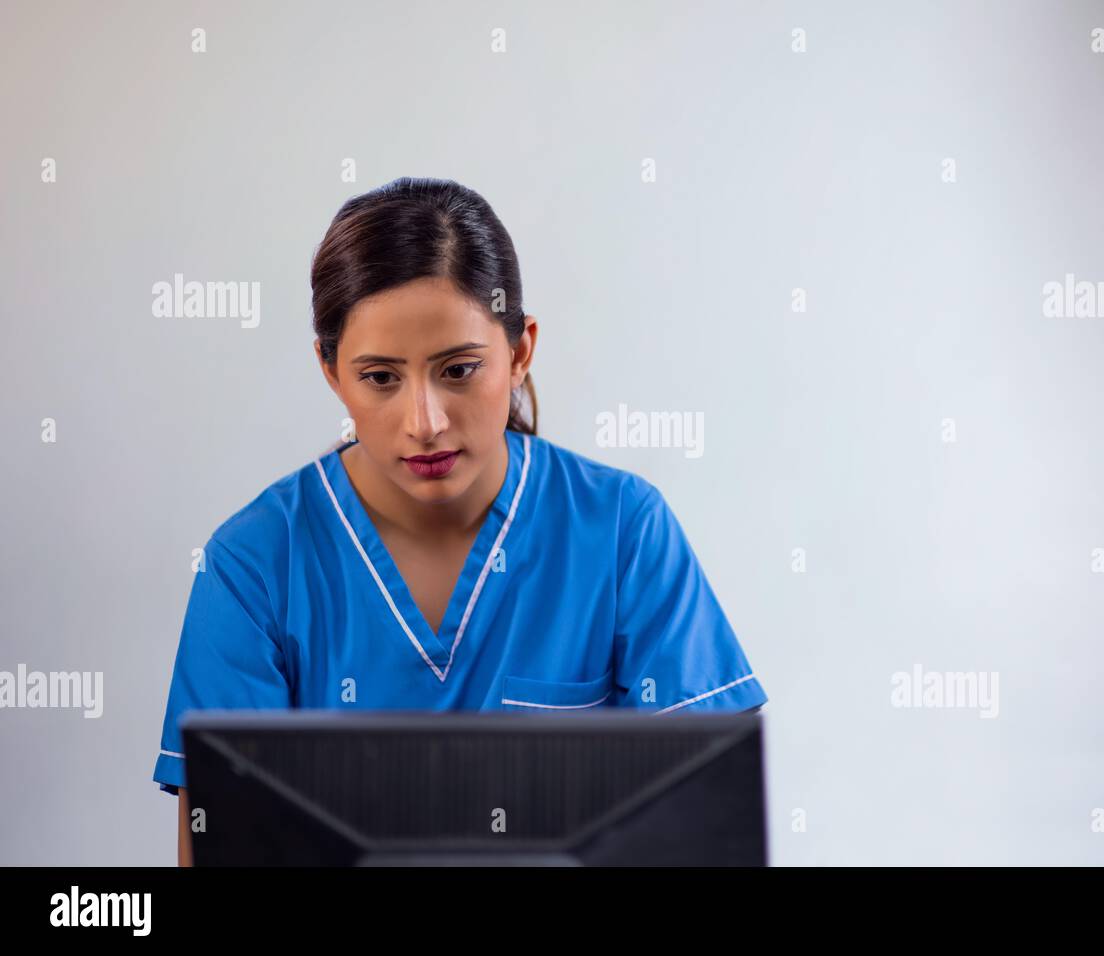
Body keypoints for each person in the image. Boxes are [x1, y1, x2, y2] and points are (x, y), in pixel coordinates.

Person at [154, 177, 768, 865]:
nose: (425, 423)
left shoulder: (624, 532)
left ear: (520, 350)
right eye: (380, 378)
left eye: (459, 369)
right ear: (331, 371)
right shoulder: (252, 567)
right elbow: (221, 849)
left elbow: (708, 832)